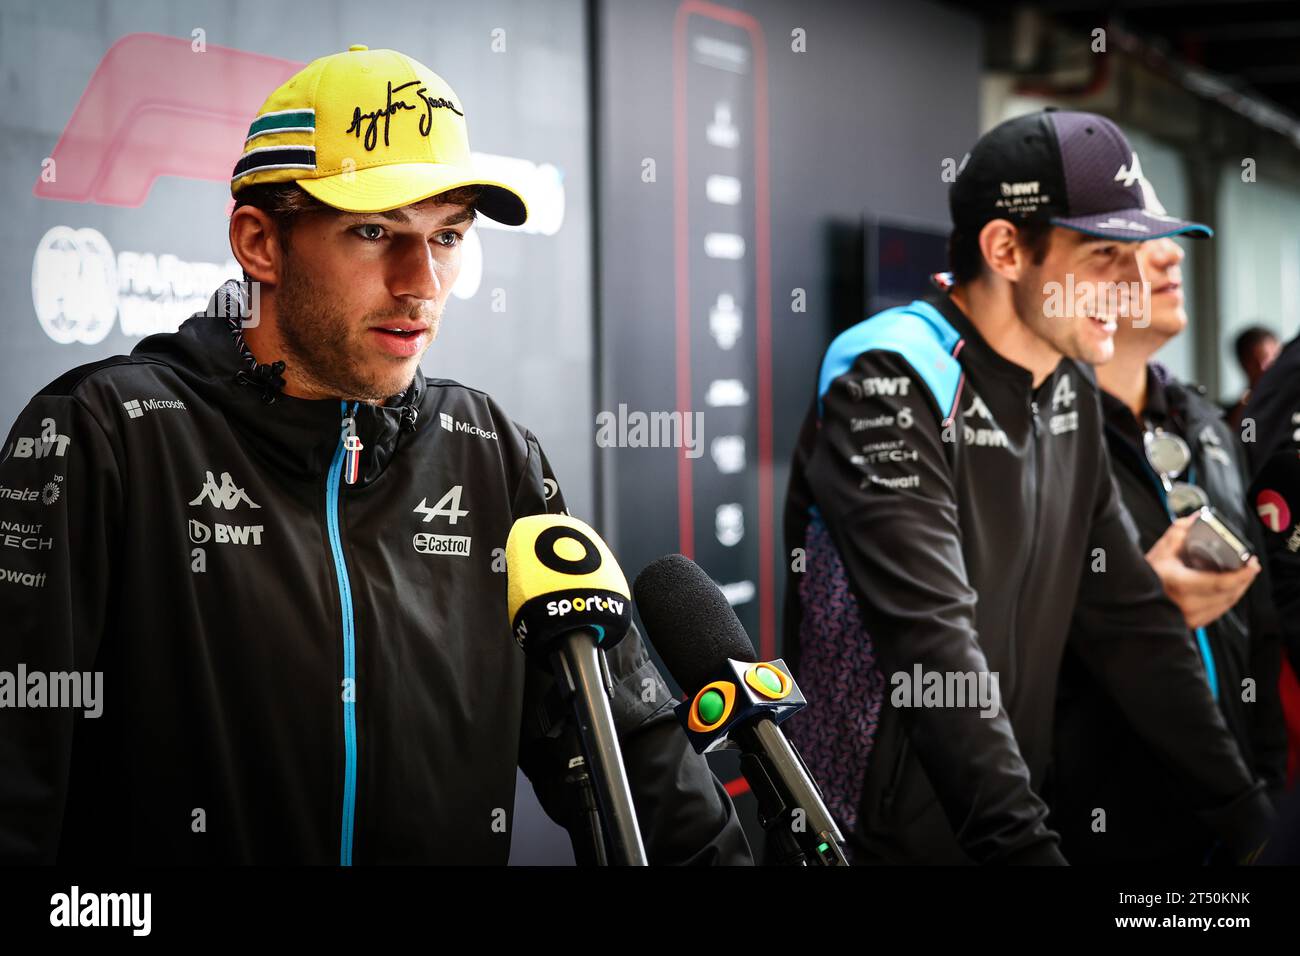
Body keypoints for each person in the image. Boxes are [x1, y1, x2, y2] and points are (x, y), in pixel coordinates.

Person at [0, 45, 750, 865]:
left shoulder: (493, 454)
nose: (421, 282)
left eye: (447, 237)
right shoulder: (105, 435)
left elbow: (628, 761)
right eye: (373, 231)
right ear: (259, 242)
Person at [781, 109, 1274, 864]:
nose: (1134, 283)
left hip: (1003, 824)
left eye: (1138, 250)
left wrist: (1248, 817)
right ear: (1006, 248)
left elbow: (1131, 623)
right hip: (870, 840)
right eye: (1107, 251)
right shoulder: (888, 375)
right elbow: (932, 643)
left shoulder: (1068, 384)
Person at [1051, 216, 1288, 864]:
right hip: (1103, 824)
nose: (1168, 258)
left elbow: (1258, 625)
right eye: (1128, 243)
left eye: (1166, 238)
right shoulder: (1036, 440)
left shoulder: (1206, 422)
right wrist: (1132, 613)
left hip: (1235, 819)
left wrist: (1264, 788)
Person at [1225, 326, 1280, 430]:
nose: (1263, 368)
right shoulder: (1237, 413)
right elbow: (1246, 441)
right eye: (1254, 362)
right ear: (1242, 363)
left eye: (1269, 360)